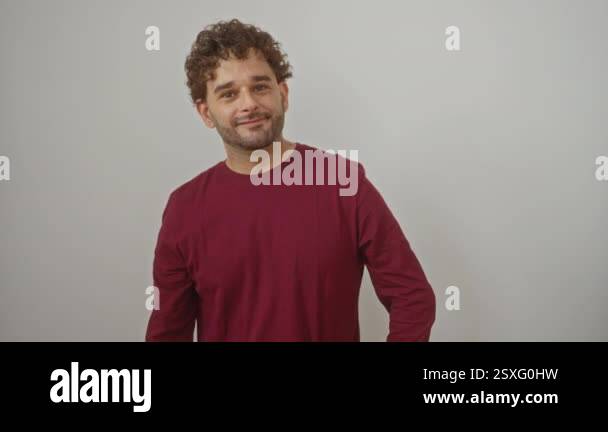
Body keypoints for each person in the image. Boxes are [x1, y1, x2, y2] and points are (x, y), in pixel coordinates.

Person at [145, 18, 435, 342]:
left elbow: (413, 297)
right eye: (228, 94)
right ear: (205, 113)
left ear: (283, 94)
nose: (249, 104)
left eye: (260, 87)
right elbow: (167, 331)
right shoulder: (184, 208)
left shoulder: (342, 183)